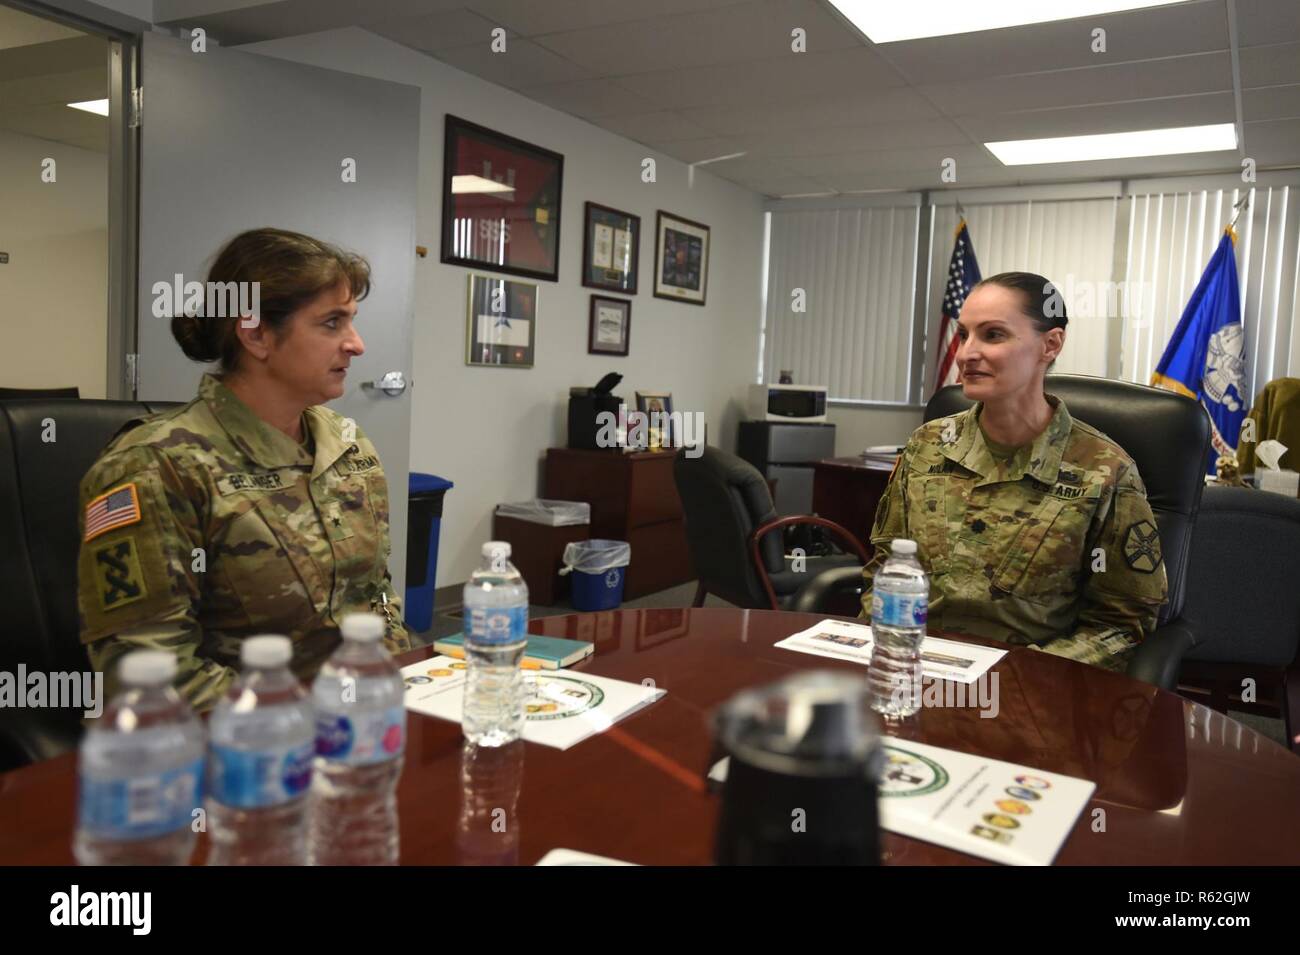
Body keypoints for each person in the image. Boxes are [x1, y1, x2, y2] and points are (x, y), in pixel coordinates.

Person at [77, 228, 411, 710]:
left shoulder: (347, 444)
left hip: (365, 722)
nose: (356, 345)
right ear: (255, 334)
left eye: (351, 321)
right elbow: (145, 670)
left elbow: (377, 597)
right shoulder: (155, 466)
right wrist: (300, 721)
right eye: (332, 323)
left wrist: (411, 684)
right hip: (241, 747)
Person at [861, 272, 1168, 671]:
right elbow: (886, 566)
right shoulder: (927, 445)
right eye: (965, 334)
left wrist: (1024, 675)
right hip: (917, 671)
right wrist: (888, 648)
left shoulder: (1105, 469)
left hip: (1031, 690)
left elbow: (1122, 626)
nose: (967, 353)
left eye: (992, 335)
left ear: (1050, 344)